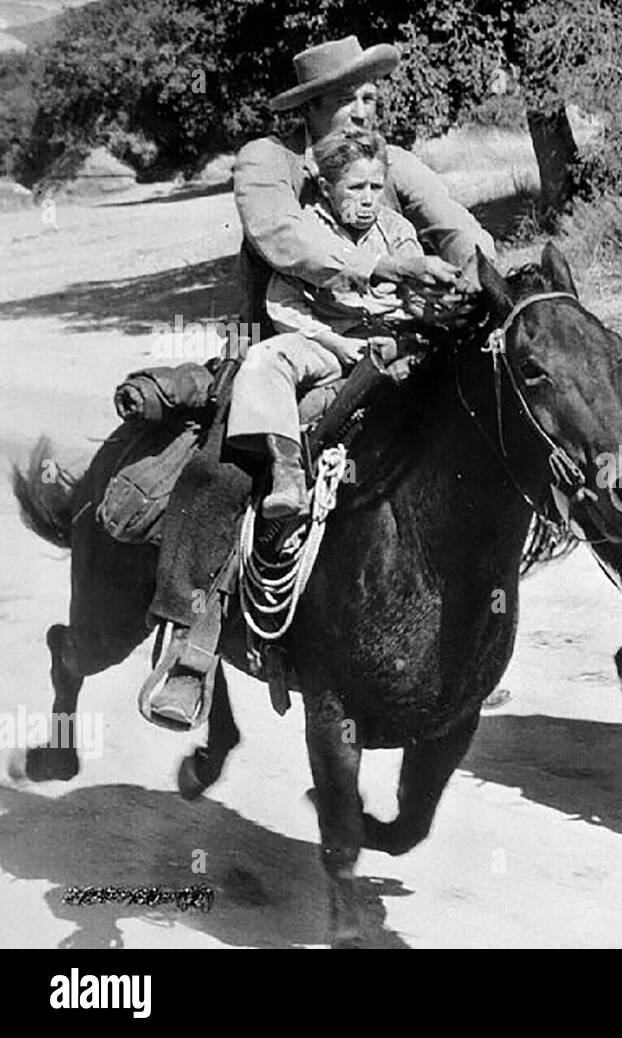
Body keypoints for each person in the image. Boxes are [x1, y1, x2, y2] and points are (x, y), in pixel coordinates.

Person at [141, 36, 496, 730]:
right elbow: (281, 238)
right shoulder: (266, 162)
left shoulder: (390, 165)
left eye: (371, 97)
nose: (365, 111)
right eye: (349, 99)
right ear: (313, 108)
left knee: (471, 433)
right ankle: (194, 638)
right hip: (277, 334)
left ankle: (462, 639)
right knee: (227, 462)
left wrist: (488, 282)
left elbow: (457, 227)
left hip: (384, 337)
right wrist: (380, 272)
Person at [227, 126, 421, 517]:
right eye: (354, 188)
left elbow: (416, 293)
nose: (367, 200)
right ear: (326, 187)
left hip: (388, 341)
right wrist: (336, 343)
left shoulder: (397, 230)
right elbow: (283, 304)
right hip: (325, 341)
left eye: (375, 187)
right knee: (265, 359)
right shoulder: (308, 230)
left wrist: (403, 328)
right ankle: (287, 473)